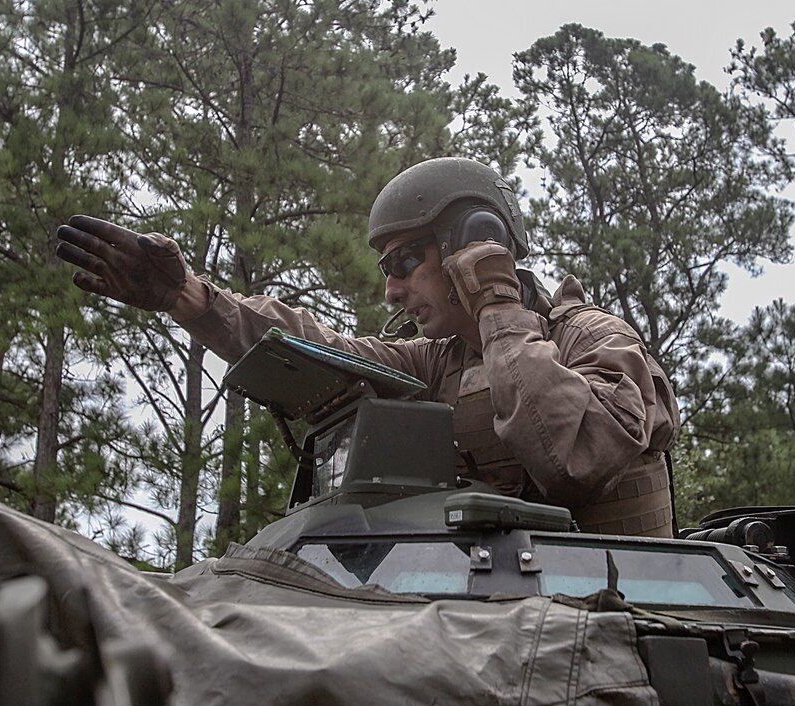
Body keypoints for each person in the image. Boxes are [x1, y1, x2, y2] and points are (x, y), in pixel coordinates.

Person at [55, 157, 680, 537]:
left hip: (624, 623)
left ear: (474, 238)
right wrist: (192, 299)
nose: (392, 288)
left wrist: (496, 305)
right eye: (386, 266)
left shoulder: (593, 339)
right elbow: (319, 346)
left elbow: (573, 455)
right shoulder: (440, 364)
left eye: (407, 260)